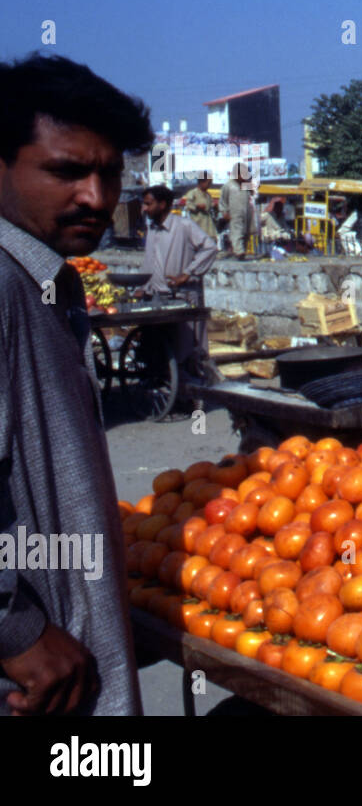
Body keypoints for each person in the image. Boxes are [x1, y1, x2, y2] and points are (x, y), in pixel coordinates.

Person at [0, 52, 152, 715]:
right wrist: (19, 628)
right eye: (66, 171)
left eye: (109, 173)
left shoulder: (48, 282)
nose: (96, 197)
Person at [139, 185, 218, 388]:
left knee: (187, 349)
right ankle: (165, 384)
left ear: (162, 204)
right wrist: (142, 287)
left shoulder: (184, 226)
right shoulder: (151, 229)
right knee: (159, 347)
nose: (144, 209)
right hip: (157, 299)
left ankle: (193, 389)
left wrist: (188, 273)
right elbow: (150, 263)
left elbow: (210, 248)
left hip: (183, 297)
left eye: (148, 204)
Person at [218, 166, 254, 259]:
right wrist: (224, 211)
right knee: (237, 231)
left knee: (246, 231)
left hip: (246, 212)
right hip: (234, 213)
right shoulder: (228, 185)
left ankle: (243, 250)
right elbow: (223, 200)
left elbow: (253, 193)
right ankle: (239, 251)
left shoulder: (245, 184)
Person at [181, 171, 218, 240]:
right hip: (197, 223)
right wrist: (197, 206)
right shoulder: (193, 193)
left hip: (208, 223)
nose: (209, 185)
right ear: (201, 182)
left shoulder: (208, 195)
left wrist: (215, 206)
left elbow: (210, 206)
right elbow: (188, 204)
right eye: (208, 183)